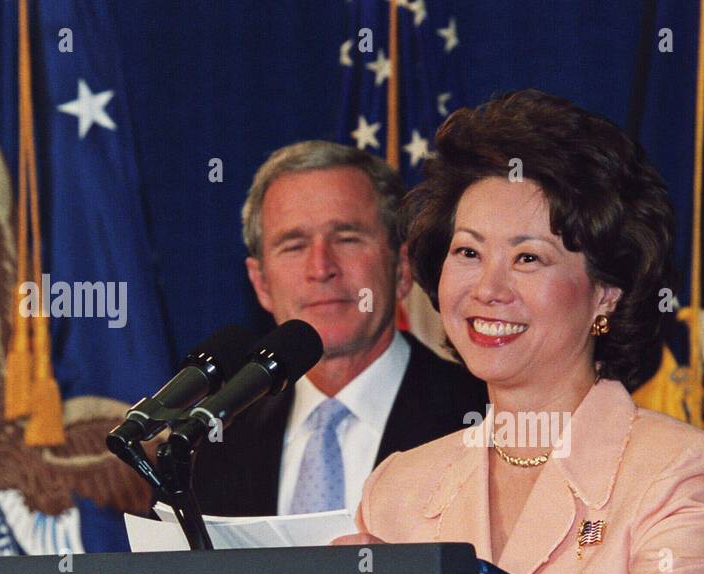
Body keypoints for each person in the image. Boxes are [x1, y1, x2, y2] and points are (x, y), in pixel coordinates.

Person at [333, 90, 704, 574]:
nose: (488, 288)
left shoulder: (682, 469)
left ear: (606, 293)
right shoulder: (398, 488)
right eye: (468, 252)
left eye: (528, 259)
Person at [194, 141, 488, 517]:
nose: (321, 268)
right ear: (261, 283)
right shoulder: (214, 441)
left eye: (347, 238)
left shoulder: (482, 416)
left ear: (401, 269)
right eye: (294, 245)